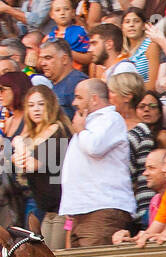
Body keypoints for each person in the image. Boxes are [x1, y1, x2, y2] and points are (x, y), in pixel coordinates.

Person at [58, 79, 135, 246]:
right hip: (82, 210)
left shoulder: (111, 119)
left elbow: (95, 147)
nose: (73, 103)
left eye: (78, 97)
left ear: (94, 99)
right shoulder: (88, 123)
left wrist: (80, 130)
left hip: (102, 209)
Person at [11, 85, 71, 248]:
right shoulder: (33, 135)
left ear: (50, 105)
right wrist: (19, 144)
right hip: (47, 210)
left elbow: (30, 164)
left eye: (41, 104)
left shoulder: (58, 131)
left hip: (63, 211)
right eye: (31, 105)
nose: (36, 109)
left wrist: (19, 144)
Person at [109, 71, 155, 226]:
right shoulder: (108, 126)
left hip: (133, 211)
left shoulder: (142, 132)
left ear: (127, 97)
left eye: (113, 92)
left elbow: (143, 176)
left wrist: (143, 216)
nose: (109, 97)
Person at [38, 40, 87, 117]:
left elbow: (83, 118)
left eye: (48, 58)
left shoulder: (76, 83)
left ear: (64, 59)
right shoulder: (53, 82)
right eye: (41, 59)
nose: (42, 63)